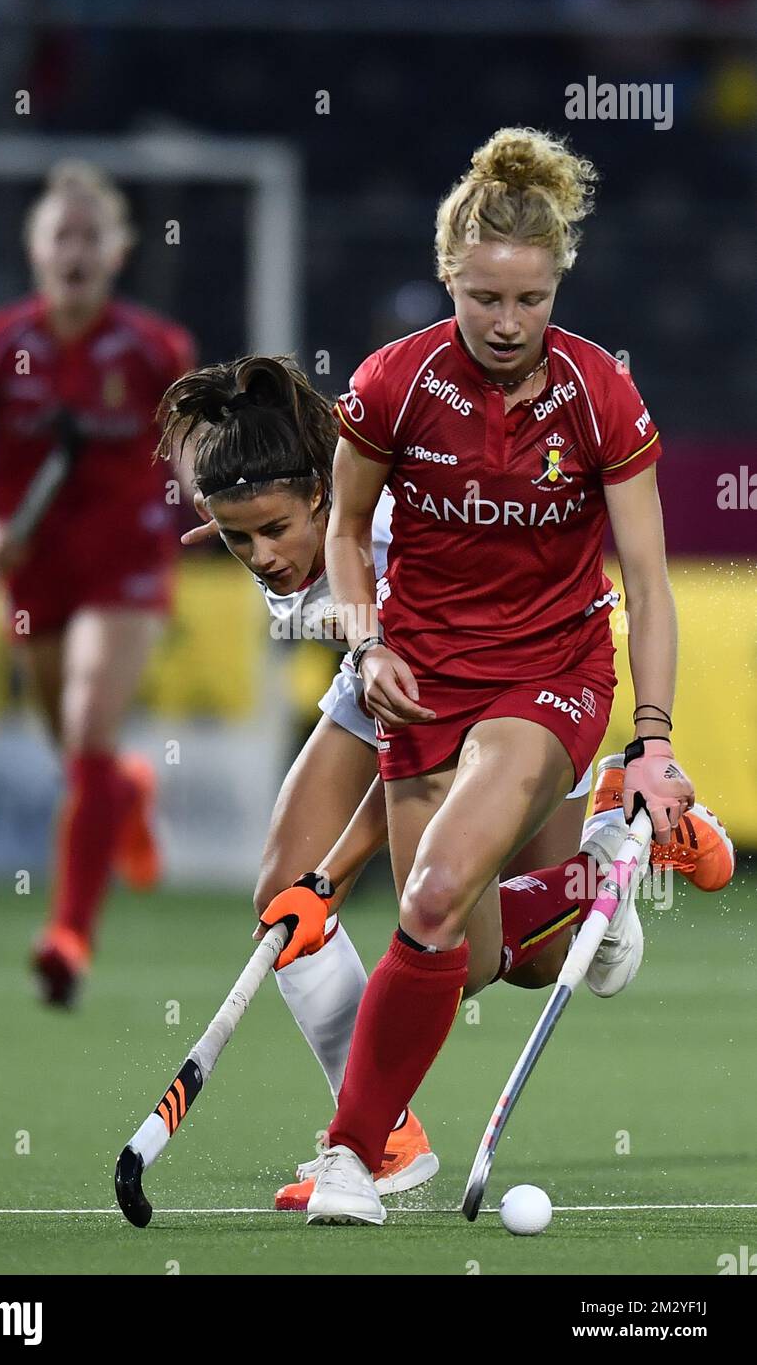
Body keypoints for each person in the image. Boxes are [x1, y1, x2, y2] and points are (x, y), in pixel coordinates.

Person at [251, 126, 732, 1226]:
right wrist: (363, 641)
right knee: (468, 960)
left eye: (528, 299)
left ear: (556, 282)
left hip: (549, 676)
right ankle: (600, 860)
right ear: (447, 280)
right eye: (482, 299)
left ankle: (349, 1156)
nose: (506, 324)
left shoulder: (599, 394)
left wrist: (651, 737)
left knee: (421, 899)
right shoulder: (392, 384)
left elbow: (649, 585)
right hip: (421, 677)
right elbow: (344, 533)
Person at [157, 350, 732, 1212]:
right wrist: (312, 883)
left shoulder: (387, 541)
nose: (260, 556)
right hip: (384, 676)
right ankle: (383, 1139)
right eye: (238, 538)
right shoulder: (296, 529)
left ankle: (614, 848)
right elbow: (388, 726)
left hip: (505, 673)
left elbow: (412, 756)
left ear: (323, 493)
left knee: (497, 961)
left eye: (273, 530)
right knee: (286, 885)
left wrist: (336, 875)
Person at [0, 162, 198, 1006]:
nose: (75, 250)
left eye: (90, 236)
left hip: (127, 561)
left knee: (86, 725)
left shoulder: (154, 347)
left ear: (119, 251)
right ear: (35, 248)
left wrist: (203, 489)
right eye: (59, 235)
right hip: (34, 566)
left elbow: (183, 447)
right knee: (79, 756)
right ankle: (130, 792)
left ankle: (68, 935)